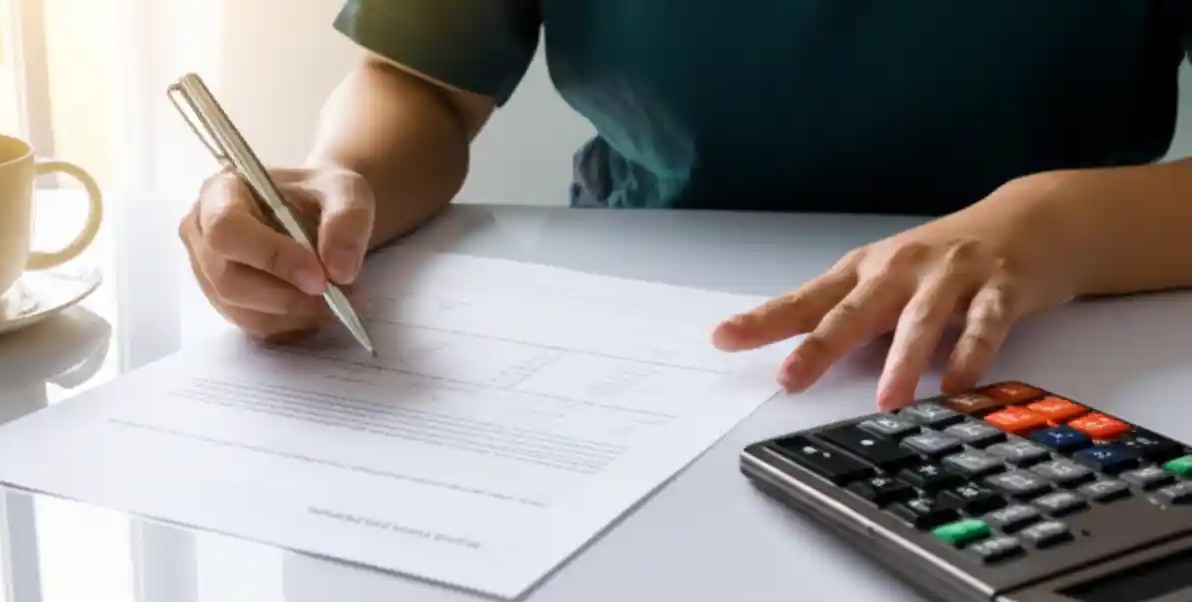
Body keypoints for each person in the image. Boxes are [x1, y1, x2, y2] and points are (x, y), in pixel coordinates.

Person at [179, 2, 1192, 410]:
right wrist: (335, 182)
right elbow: (425, 84)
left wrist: (1056, 226)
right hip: (652, 349)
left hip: (1063, 347)